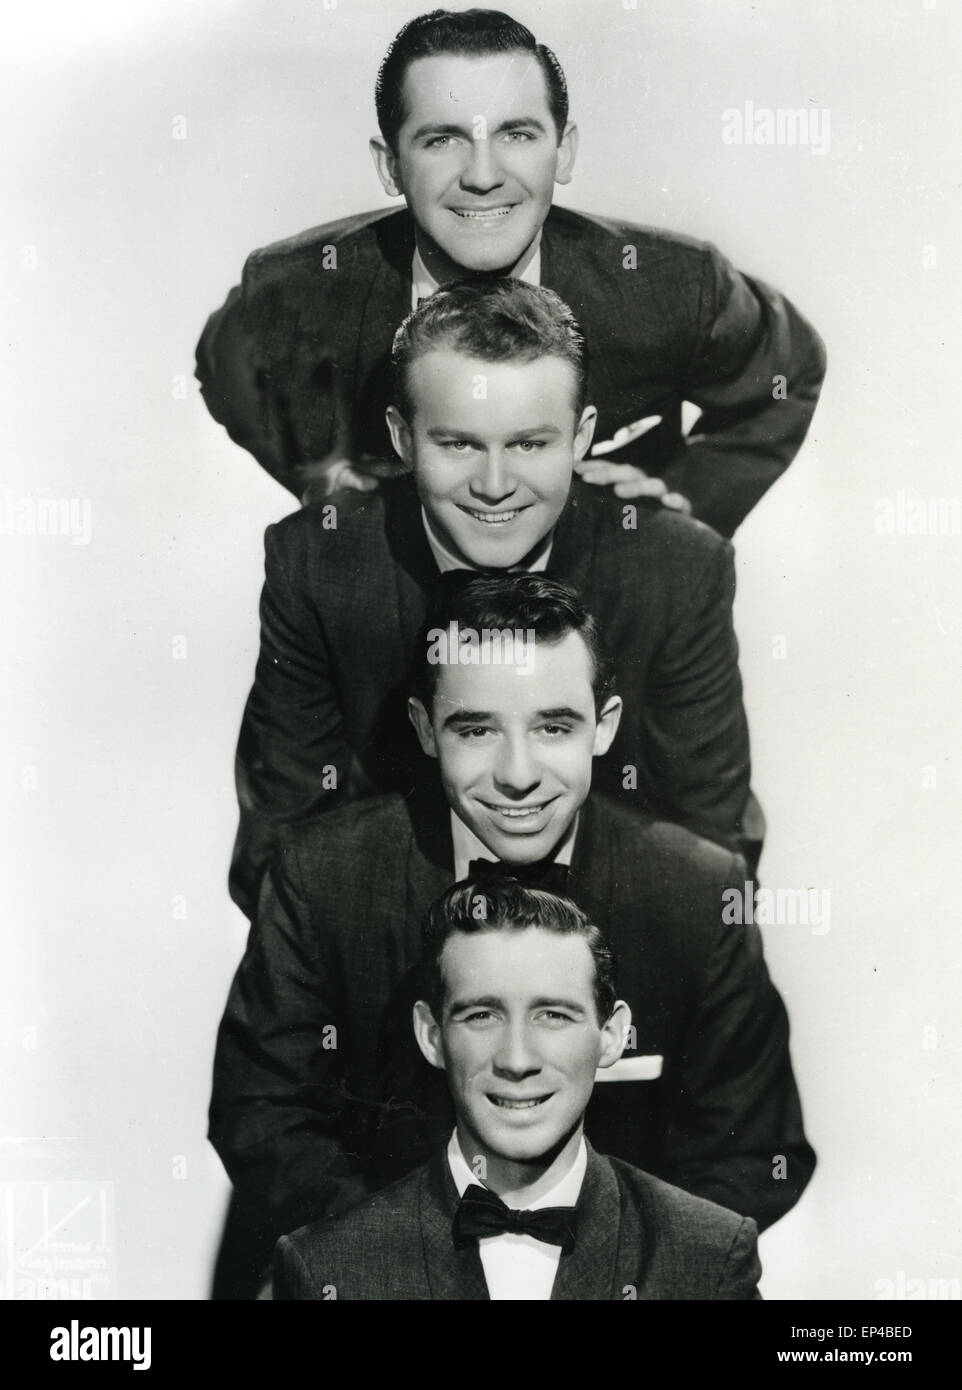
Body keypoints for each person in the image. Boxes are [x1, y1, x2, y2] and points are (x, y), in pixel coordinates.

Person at [210, 573, 814, 1277]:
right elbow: (262, 1116)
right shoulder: (321, 878)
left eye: (555, 727)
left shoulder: (698, 891)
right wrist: (416, 1266)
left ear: (605, 725)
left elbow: (751, 1154)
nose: (518, 775)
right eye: (476, 729)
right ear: (424, 730)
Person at [225, 277, 761, 919]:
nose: (495, 486)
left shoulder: (676, 569)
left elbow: (708, 857)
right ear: (401, 438)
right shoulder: (317, 562)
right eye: (458, 444)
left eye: (530, 444)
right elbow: (279, 849)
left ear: (582, 436)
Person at [196, 7, 825, 539]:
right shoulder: (296, 287)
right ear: (390, 166)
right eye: (442, 139)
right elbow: (224, 361)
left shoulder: (673, 286)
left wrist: (677, 503)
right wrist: (321, 471)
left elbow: (786, 374)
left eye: (518, 134)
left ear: (565, 150)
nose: (483, 174)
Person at [273, 876, 763, 1300]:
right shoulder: (327, 1270)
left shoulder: (708, 1258)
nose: (517, 1060)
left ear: (611, 1036)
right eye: (481, 1015)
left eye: (553, 1015)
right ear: (431, 1035)